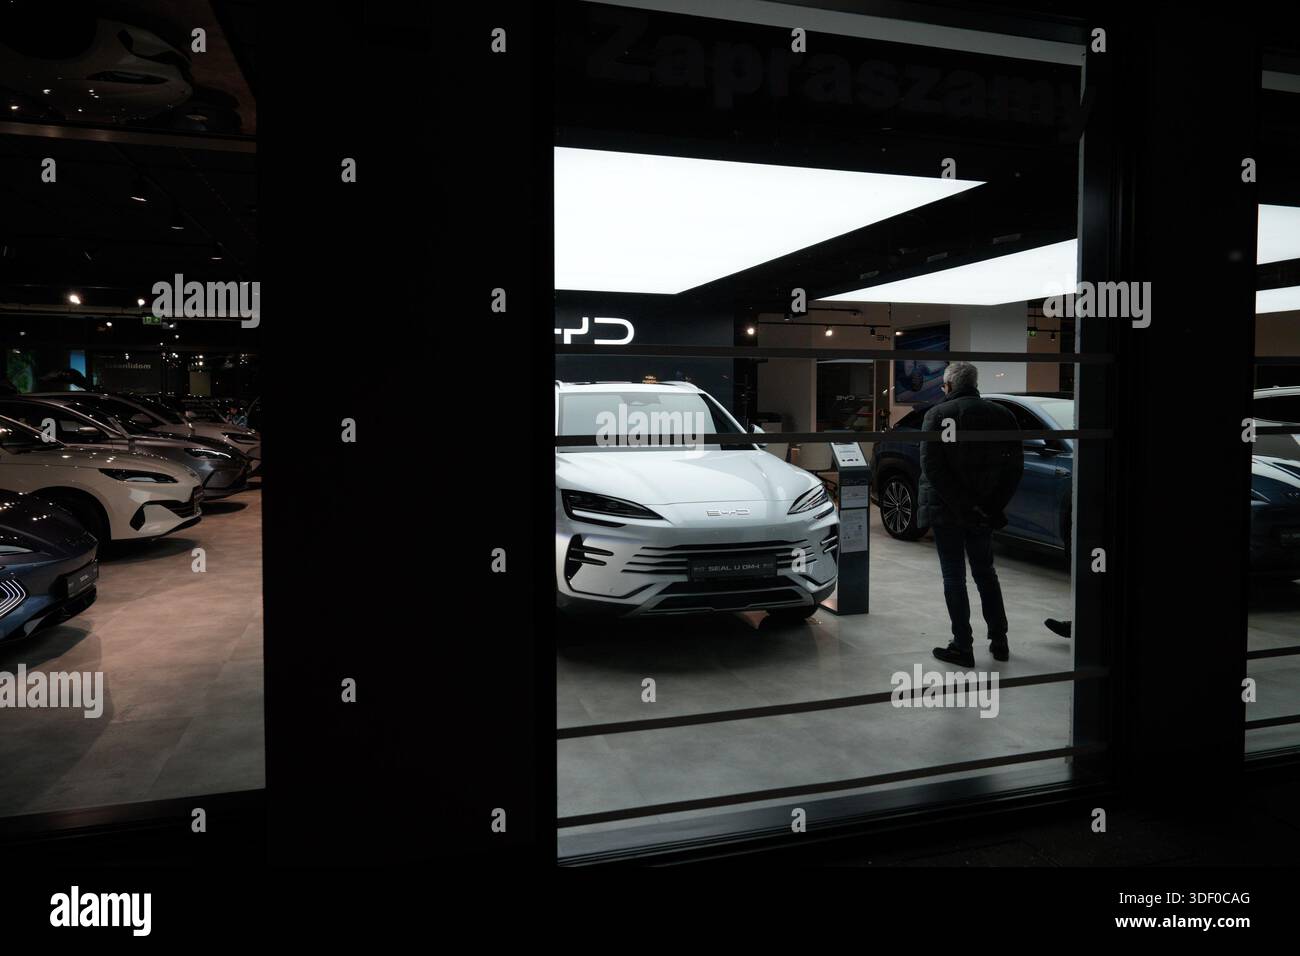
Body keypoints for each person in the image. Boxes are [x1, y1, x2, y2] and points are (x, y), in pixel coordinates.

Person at [919, 362, 1024, 667]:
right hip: (984, 512)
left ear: (949, 385)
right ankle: (1000, 640)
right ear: (974, 383)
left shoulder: (937, 415)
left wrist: (963, 505)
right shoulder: (1003, 416)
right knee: (985, 573)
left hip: (947, 511)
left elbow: (933, 469)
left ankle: (962, 646)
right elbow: (1014, 467)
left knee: (954, 576)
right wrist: (990, 506)